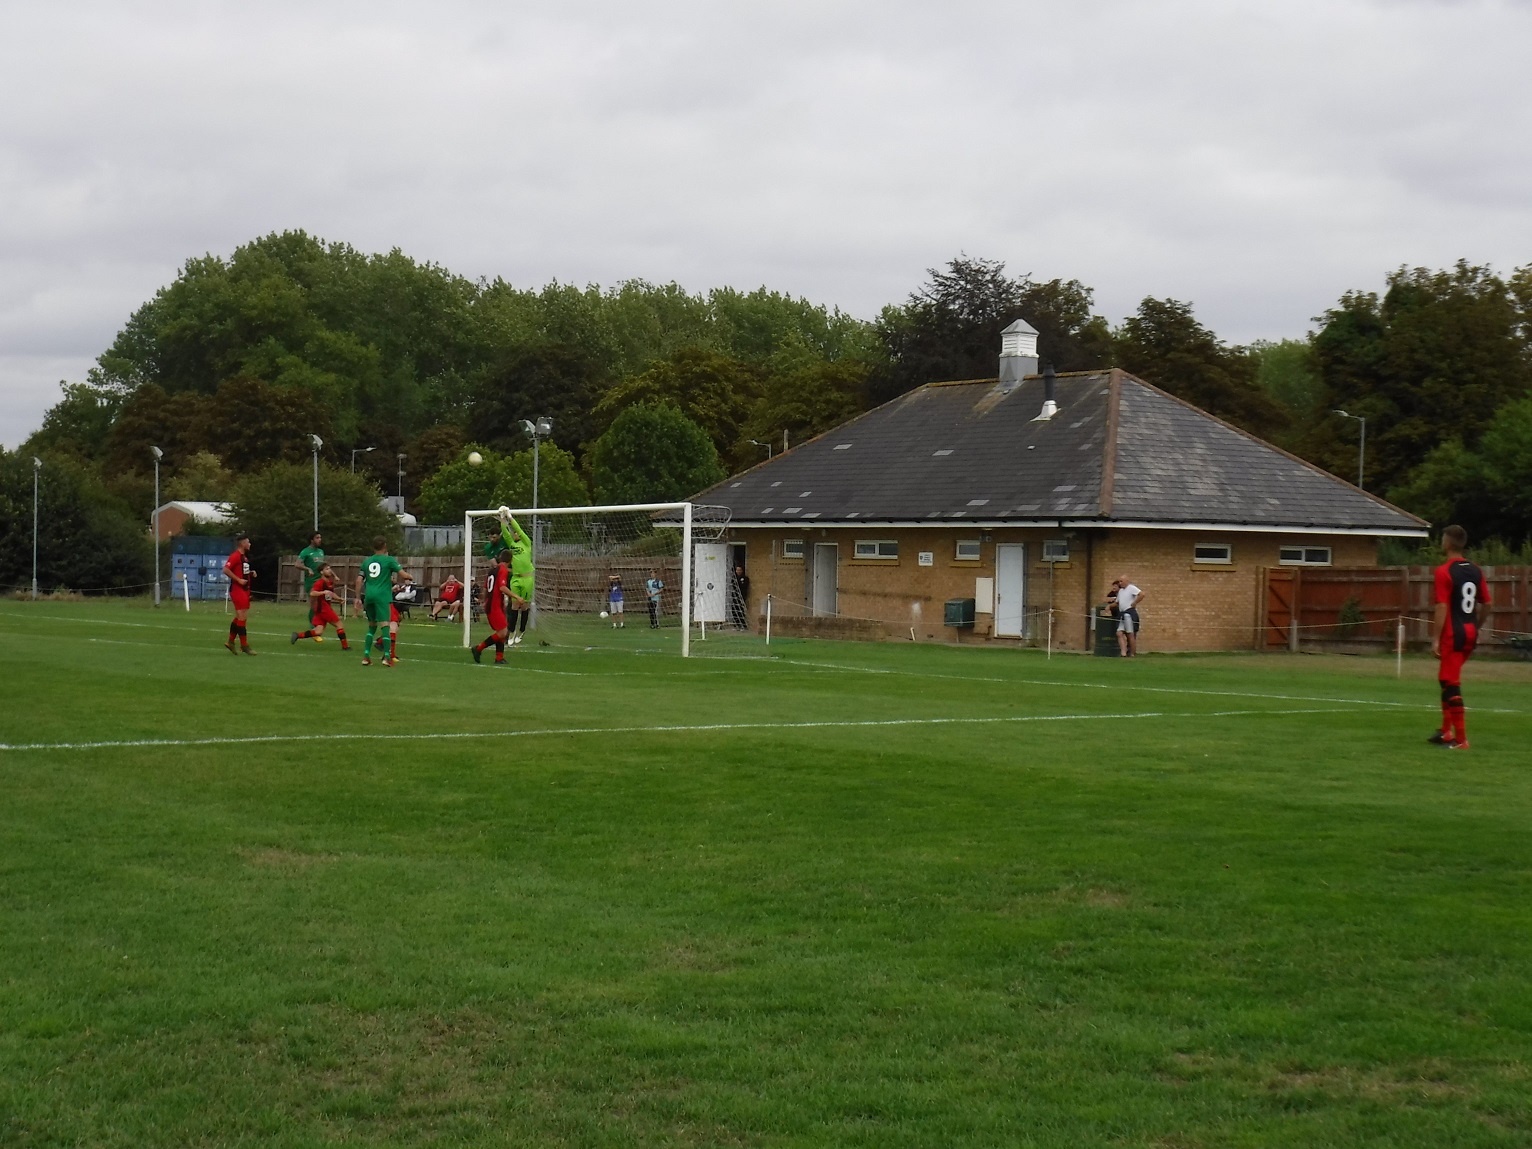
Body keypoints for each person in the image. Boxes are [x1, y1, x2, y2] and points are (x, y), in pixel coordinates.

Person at [1431, 524, 1490, 749]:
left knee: (1452, 683)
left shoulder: (1444, 571)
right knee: (1446, 679)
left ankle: (1461, 739)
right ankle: (1446, 730)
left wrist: (1435, 638)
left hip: (1452, 634)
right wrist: (1477, 625)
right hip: (1469, 632)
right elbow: (1488, 603)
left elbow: (1442, 607)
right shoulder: (1475, 570)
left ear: (1447, 542)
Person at [354, 536, 411, 667]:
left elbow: (358, 580)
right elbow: (404, 575)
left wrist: (357, 597)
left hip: (369, 596)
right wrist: (409, 576)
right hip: (382, 597)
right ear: (385, 546)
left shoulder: (367, 562)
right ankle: (387, 657)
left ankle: (366, 656)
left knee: (371, 626)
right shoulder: (389, 560)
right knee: (385, 625)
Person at [291, 563, 350, 649]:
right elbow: (312, 593)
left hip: (322, 609)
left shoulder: (329, 582)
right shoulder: (319, 582)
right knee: (339, 625)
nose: (329, 570)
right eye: (326, 569)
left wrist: (339, 599)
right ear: (322, 572)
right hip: (323, 608)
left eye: (329, 568)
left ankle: (297, 635)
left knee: (318, 631)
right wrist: (322, 592)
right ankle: (345, 647)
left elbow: (330, 593)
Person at [472, 548, 513, 665]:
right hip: (495, 605)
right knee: (503, 633)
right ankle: (478, 648)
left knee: (501, 631)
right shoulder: (503, 570)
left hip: (492, 604)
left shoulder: (492, 570)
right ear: (510, 560)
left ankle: (499, 658)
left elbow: (485, 587)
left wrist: (483, 600)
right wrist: (516, 597)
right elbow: (502, 588)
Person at [222, 535, 257, 654]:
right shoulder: (235, 556)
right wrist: (238, 580)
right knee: (242, 617)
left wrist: (250, 573)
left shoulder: (244, 558)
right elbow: (226, 570)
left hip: (245, 589)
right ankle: (244, 646)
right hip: (238, 589)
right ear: (242, 543)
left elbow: (242, 571)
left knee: (239, 617)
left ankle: (231, 642)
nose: (250, 544)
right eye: (248, 542)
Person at [295, 532, 325, 616]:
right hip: (311, 581)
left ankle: (317, 624)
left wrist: (334, 575)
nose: (320, 539)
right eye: (317, 538)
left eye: (320, 537)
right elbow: (297, 564)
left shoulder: (321, 552)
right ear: (312, 540)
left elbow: (324, 565)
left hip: (321, 581)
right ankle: (313, 625)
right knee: (314, 604)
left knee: (321, 604)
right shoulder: (306, 551)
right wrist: (308, 569)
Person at [1114, 575, 1145, 657]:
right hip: (1121, 614)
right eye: (1119, 581)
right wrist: (1109, 606)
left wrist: (1135, 603)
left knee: (1130, 634)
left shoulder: (1131, 588)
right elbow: (1117, 602)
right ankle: (1123, 653)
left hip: (1129, 614)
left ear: (1126, 581)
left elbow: (1142, 594)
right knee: (1119, 633)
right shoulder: (1120, 591)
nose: (1120, 583)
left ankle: (1132, 653)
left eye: (1121, 581)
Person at [730, 563, 751, 630]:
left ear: (742, 571)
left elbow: (744, 587)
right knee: (734, 610)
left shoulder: (745, 578)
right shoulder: (734, 578)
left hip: (741, 597)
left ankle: (743, 625)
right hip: (735, 597)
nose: (738, 571)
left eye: (739, 570)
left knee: (741, 611)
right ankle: (737, 625)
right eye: (737, 570)